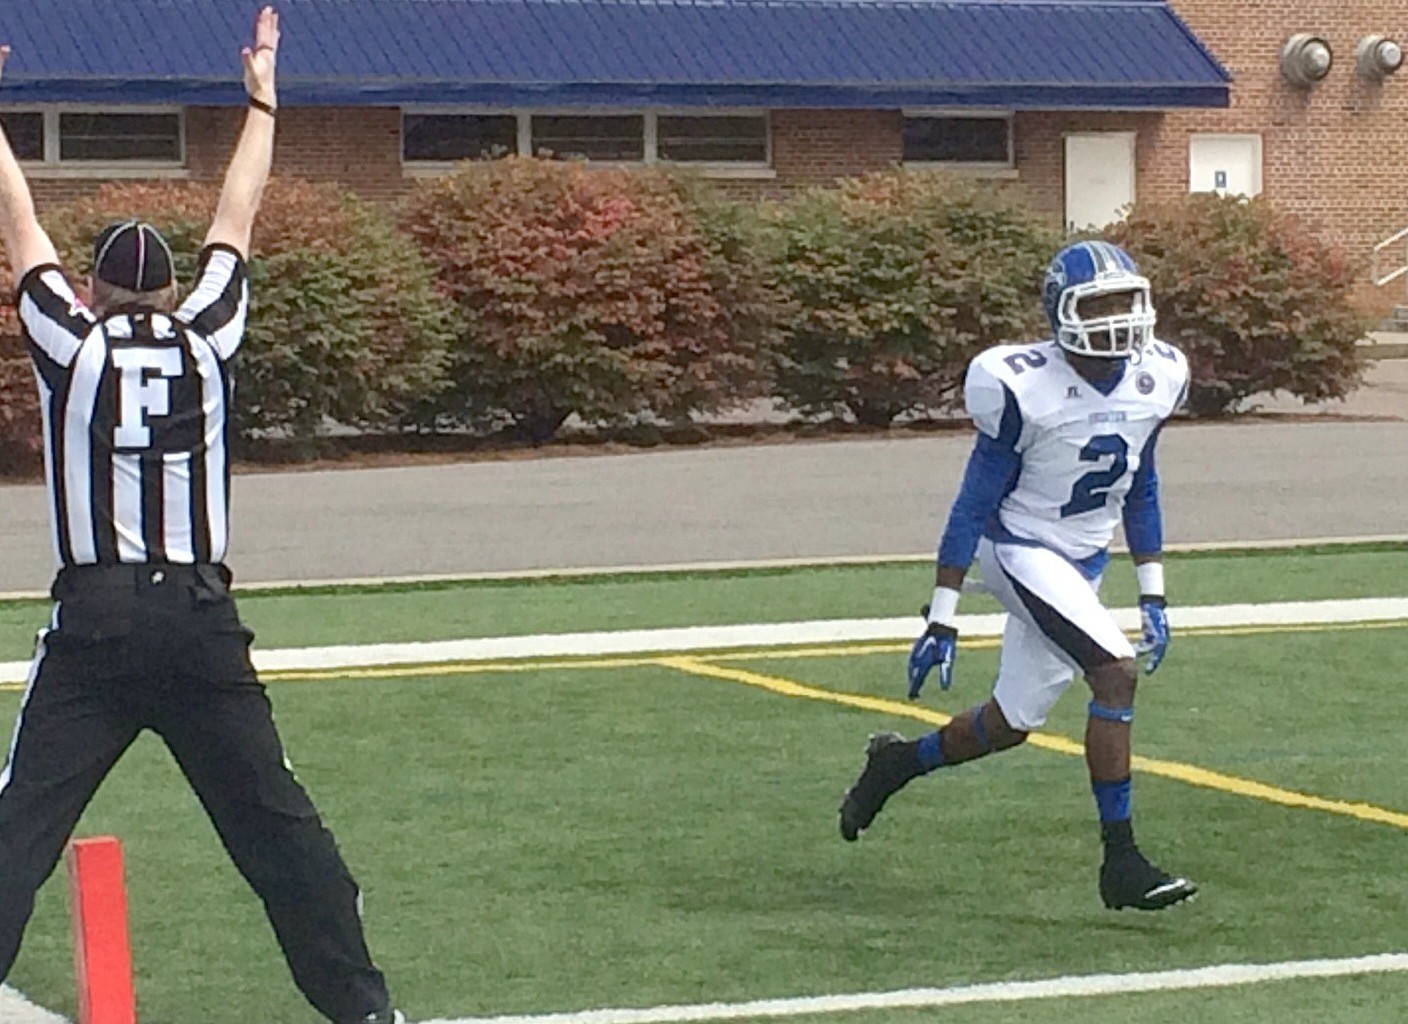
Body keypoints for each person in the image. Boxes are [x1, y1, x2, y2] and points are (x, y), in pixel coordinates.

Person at [0, 9, 405, 1021]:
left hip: (94, 625)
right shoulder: (208, 337)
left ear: (91, 293)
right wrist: (262, 99)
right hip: (196, 620)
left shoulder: (70, 345)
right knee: (278, 831)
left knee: (16, 835)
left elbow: (20, 230)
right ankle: (363, 1008)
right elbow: (239, 214)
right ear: (175, 291)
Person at [838, 240, 1197, 912]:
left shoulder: (1159, 375)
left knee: (1008, 725)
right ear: (1063, 313)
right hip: (1020, 549)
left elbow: (1140, 485)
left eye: (1126, 302)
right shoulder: (1020, 384)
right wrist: (943, 611)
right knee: (1115, 669)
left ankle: (895, 764)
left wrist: (1154, 590)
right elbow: (973, 502)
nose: (1118, 319)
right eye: (1101, 305)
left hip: (1081, 563)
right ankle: (1121, 862)